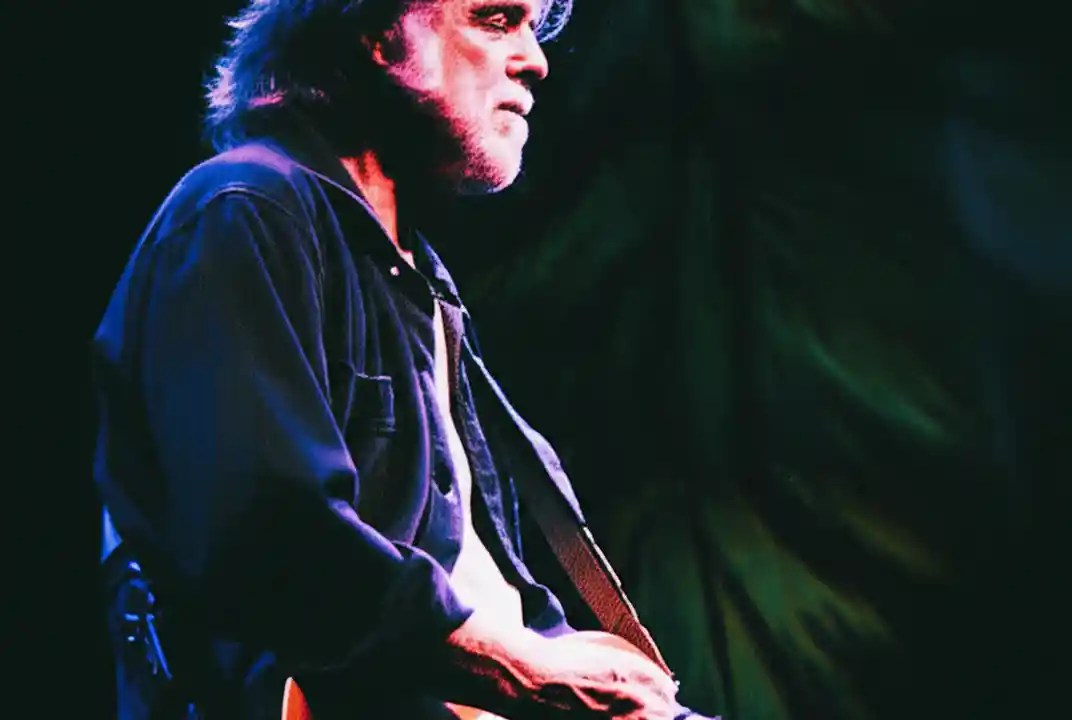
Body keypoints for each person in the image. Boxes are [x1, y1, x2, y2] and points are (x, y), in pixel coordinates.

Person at [90, 1, 713, 718]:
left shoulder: (422, 286)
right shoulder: (244, 209)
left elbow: (471, 579)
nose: (535, 60)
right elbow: (273, 546)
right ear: (379, 35)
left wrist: (575, 666)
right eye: (496, 18)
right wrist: (524, 669)